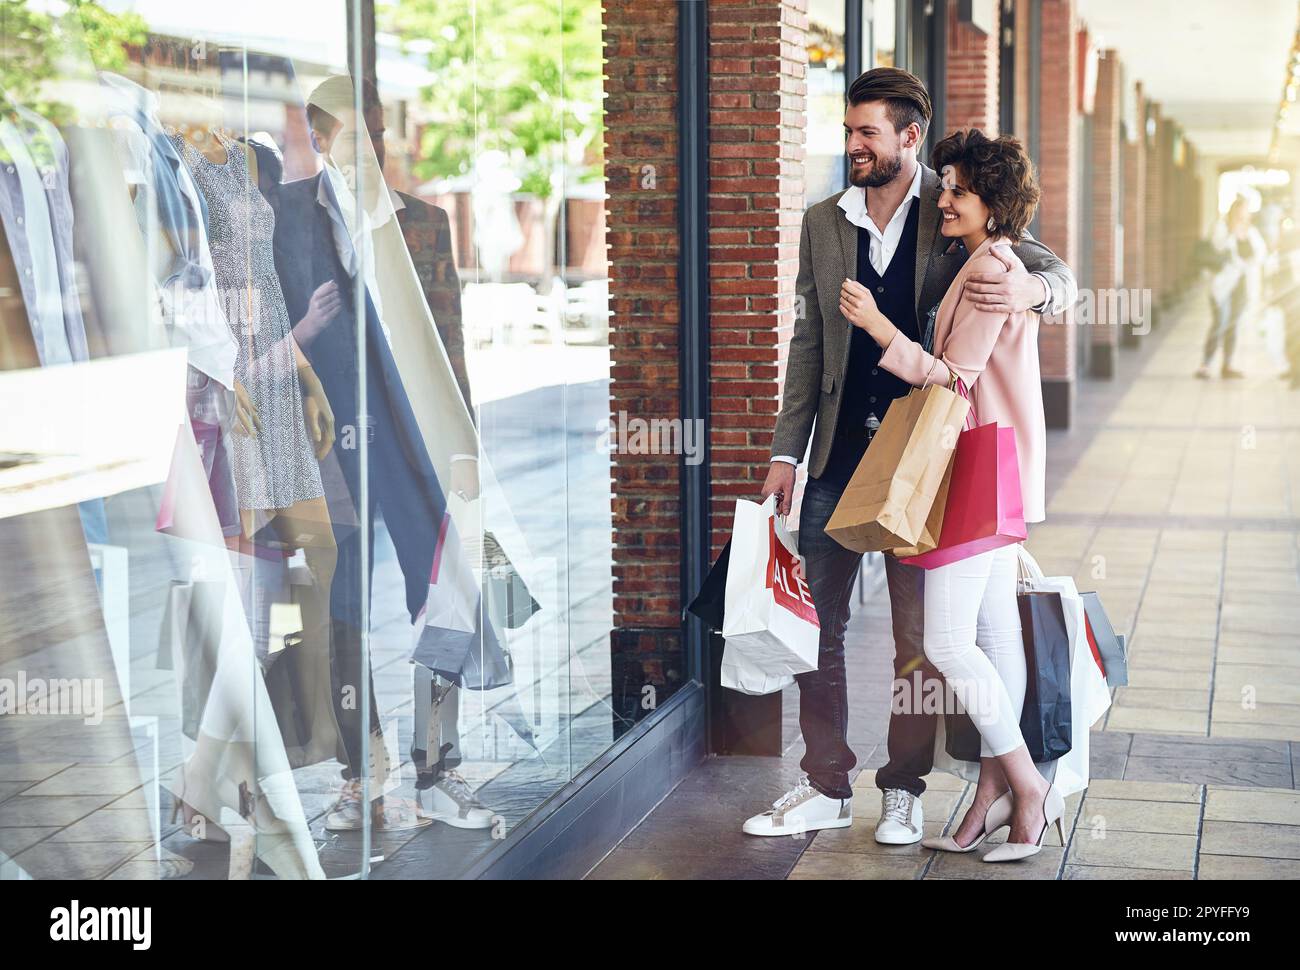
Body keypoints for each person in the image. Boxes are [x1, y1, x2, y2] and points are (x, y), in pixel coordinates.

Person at [742, 68, 1075, 843]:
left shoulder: (956, 205)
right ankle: (824, 783)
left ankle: (902, 787)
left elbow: (1052, 272)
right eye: (848, 131)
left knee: (918, 640)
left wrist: (1035, 295)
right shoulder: (824, 222)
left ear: (908, 137)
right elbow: (809, 341)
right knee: (815, 625)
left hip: (927, 463)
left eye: (867, 133)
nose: (853, 145)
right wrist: (786, 452)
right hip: (834, 459)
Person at [842, 128, 1058, 860]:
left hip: (974, 467)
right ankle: (997, 793)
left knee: (945, 640)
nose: (945, 200)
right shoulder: (983, 259)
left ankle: (1026, 786)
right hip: (994, 466)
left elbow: (954, 375)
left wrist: (877, 327)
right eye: (945, 187)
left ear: (995, 204)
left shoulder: (994, 266)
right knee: (993, 637)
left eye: (959, 191)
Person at [1196, 198, 1266, 380]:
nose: (1243, 214)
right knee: (1220, 322)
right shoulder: (1222, 228)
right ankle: (1205, 364)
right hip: (1222, 285)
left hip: (1242, 286)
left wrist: (1245, 239)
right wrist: (1233, 232)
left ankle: (1227, 365)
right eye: (1240, 210)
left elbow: (1260, 254)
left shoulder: (1252, 232)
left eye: (1246, 211)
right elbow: (1218, 247)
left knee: (1233, 326)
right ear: (1233, 211)